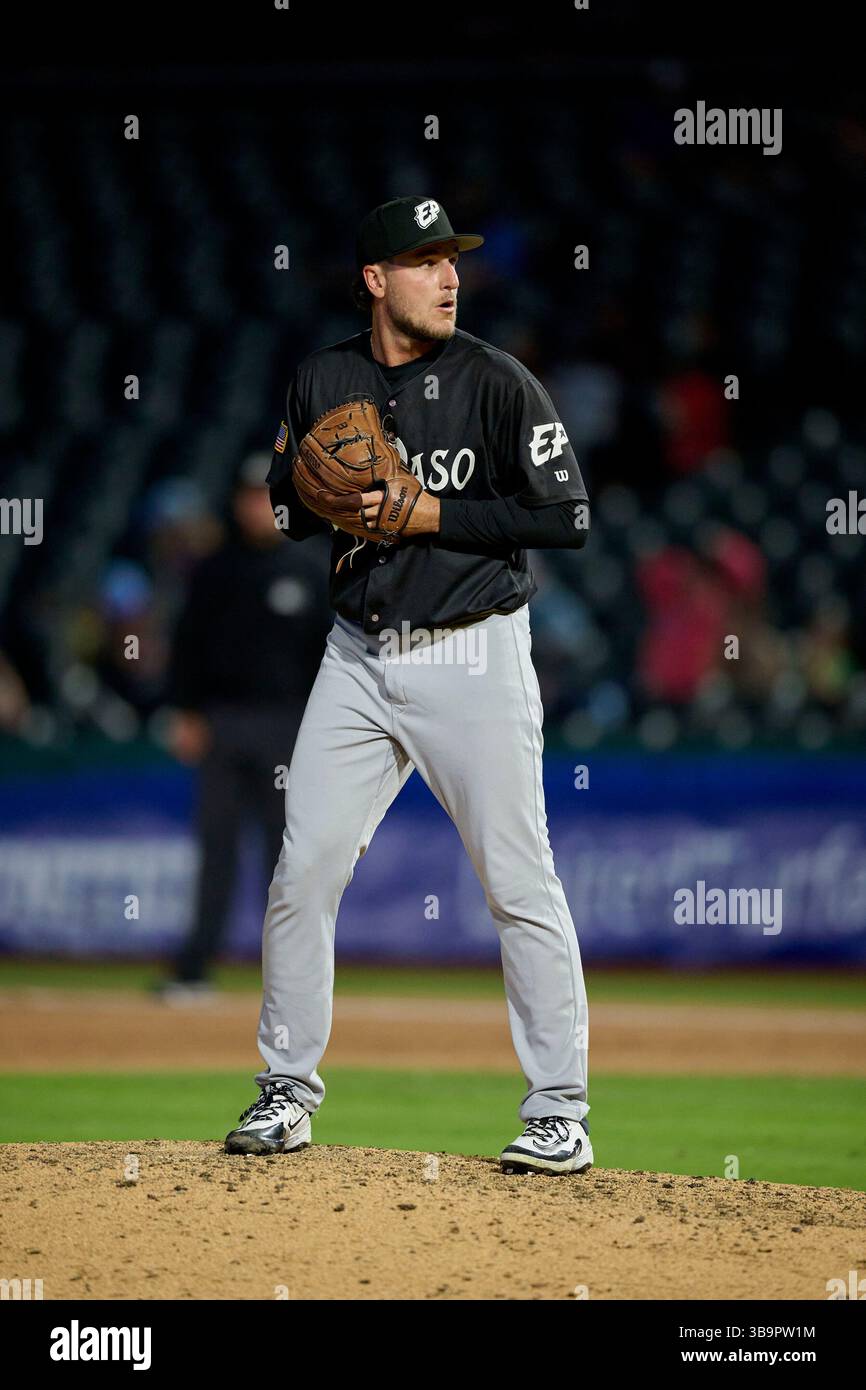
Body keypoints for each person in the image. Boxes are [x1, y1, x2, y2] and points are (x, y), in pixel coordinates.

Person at [224, 197, 593, 1175]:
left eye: (453, 260)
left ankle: (557, 1109)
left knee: (516, 883)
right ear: (376, 280)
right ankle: (286, 1090)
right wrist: (310, 495)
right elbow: (285, 507)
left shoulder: (497, 381)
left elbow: (567, 517)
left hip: (471, 650)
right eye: (424, 260)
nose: (449, 276)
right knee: (302, 869)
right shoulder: (322, 377)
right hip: (354, 654)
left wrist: (431, 512)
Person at [158, 454, 331, 1000]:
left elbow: (331, 659)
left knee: (288, 856)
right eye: (249, 497)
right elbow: (185, 645)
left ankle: (288, 977)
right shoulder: (214, 569)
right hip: (222, 723)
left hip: (287, 728)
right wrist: (184, 711)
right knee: (218, 849)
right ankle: (195, 967)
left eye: (267, 497)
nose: (258, 507)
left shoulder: (308, 568)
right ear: (236, 503)